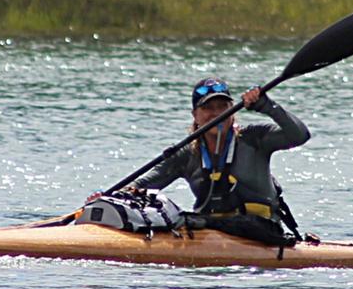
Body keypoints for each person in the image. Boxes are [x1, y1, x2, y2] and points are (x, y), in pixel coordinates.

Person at [88, 77, 311, 245]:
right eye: (208, 108)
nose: (215, 114)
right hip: (209, 234)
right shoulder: (186, 154)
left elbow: (300, 135)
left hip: (263, 232)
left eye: (222, 107)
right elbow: (143, 186)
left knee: (195, 219)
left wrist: (266, 105)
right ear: (195, 115)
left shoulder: (254, 139)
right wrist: (109, 198)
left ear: (232, 111)